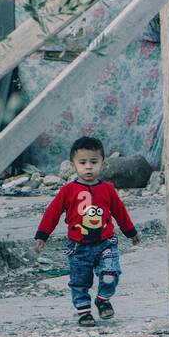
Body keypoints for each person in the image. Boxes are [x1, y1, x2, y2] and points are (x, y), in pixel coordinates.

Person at [33, 136, 140, 326]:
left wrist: (130, 232)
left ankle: (102, 300)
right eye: (83, 163)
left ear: (102, 163)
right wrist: (42, 235)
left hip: (106, 243)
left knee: (110, 274)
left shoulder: (107, 189)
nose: (88, 167)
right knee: (79, 282)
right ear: (73, 165)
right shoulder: (68, 190)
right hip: (78, 247)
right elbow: (53, 212)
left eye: (93, 162)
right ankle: (84, 312)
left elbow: (120, 212)